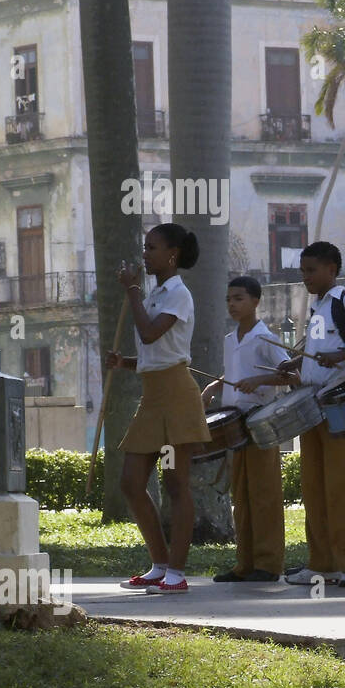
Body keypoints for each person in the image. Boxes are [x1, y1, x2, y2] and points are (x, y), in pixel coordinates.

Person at [278, 241, 345, 587]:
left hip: (339, 404)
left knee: (344, 487)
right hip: (311, 407)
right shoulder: (317, 308)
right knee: (314, 488)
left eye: (312, 270)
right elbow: (319, 351)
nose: (306, 277)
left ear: (331, 270)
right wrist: (295, 362)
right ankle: (321, 562)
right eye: (303, 271)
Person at [114, 224, 212, 595]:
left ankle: (177, 572)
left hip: (175, 400)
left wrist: (132, 290)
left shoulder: (178, 294)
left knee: (174, 482)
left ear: (172, 254)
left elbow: (152, 333)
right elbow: (152, 350)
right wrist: (124, 362)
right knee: (131, 482)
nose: (144, 253)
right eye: (144, 246)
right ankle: (158, 564)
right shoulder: (155, 294)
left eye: (151, 247)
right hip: (152, 397)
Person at [202, 276, 292, 582]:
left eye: (239, 298)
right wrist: (215, 385)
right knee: (241, 494)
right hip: (234, 422)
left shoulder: (267, 339)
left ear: (256, 301)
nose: (232, 304)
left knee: (264, 493)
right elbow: (235, 372)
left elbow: (288, 374)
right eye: (229, 299)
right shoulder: (230, 340)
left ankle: (268, 564)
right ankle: (245, 563)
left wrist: (259, 381)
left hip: (261, 421)